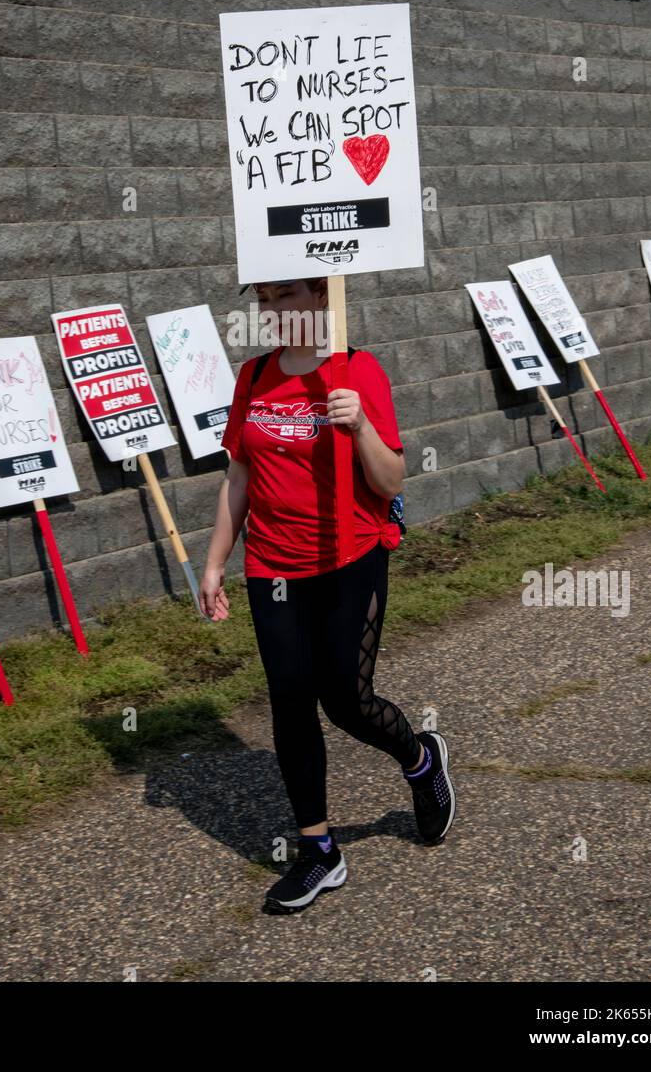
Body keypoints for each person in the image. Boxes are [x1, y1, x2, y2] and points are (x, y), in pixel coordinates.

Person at [199, 276, 455, 912]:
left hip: (349, 558)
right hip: (273, 568)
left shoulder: (357, 369)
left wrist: (360, 423)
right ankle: (319, 852)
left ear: (321, 297)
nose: (272, 311)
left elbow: (393, 476)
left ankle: (420, 758)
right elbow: (238, 475)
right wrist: (214, 564)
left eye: (285, 296)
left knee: (345, 698)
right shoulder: (255, 377)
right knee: (289, 701)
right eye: (264, 301)